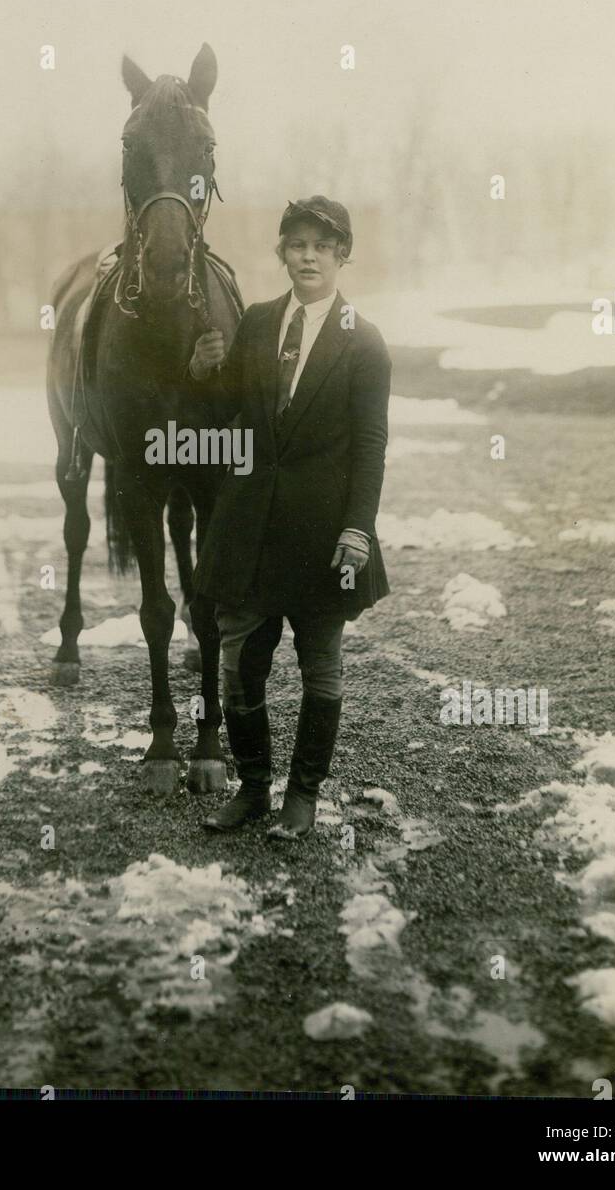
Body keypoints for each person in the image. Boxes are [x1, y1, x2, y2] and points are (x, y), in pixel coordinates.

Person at [187, 196, 391, 840]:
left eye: (322, 248)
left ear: (341, 258)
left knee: (319, 666)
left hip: (322, 534)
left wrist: (357, 528)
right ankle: (252, 789)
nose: (308, 257)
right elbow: (226, 417)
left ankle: (301, 797)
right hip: (247, 527)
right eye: (297, 245)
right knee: (237, 662)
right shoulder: (255, 323)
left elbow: (371, 444)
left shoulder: (365, 340)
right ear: (282, 253)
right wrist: (200, 374)